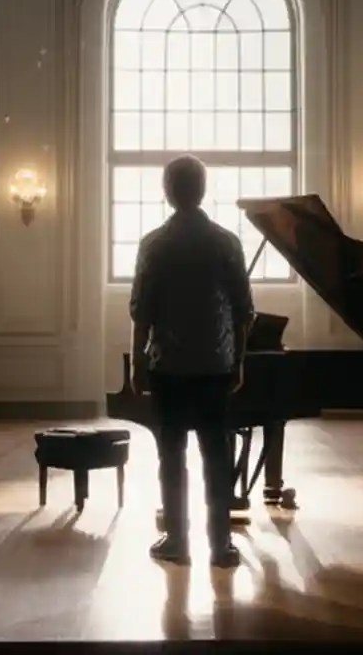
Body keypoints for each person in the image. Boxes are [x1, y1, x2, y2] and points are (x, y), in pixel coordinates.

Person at [128, 154, 255, 569]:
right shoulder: (226, 242)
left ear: (167, 191)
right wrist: (238, 362)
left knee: (171, 457)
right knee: (217, 458)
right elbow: (243, 313)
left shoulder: (154, 244)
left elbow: (141, 313)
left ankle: (177, 541)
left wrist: (137, 365)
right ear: (202, 191)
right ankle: (221, 545)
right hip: (216, 366)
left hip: (168, 368)